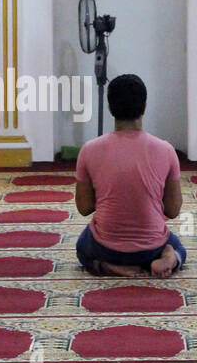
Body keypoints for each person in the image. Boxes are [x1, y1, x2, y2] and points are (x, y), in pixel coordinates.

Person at [75, 73, 186, 278]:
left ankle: (109, 266)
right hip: (151, 249)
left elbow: (84, 208)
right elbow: (173, 209)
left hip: (105, 248)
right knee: (177, 244)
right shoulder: (166, 150)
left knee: (83, 245)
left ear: (110, 108)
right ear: (144, 107)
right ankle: (170, 258)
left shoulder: (89, 150)